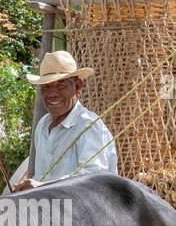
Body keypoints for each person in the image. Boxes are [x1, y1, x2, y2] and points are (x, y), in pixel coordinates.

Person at [10, 49, 117, 191]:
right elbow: (41, 176)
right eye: (46, 87)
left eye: (61, 85)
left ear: (77, 87)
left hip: (85, 211)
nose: (52, 94)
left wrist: (42, 187)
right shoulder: (42, 126)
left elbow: (93, 180)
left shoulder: (89, 126)